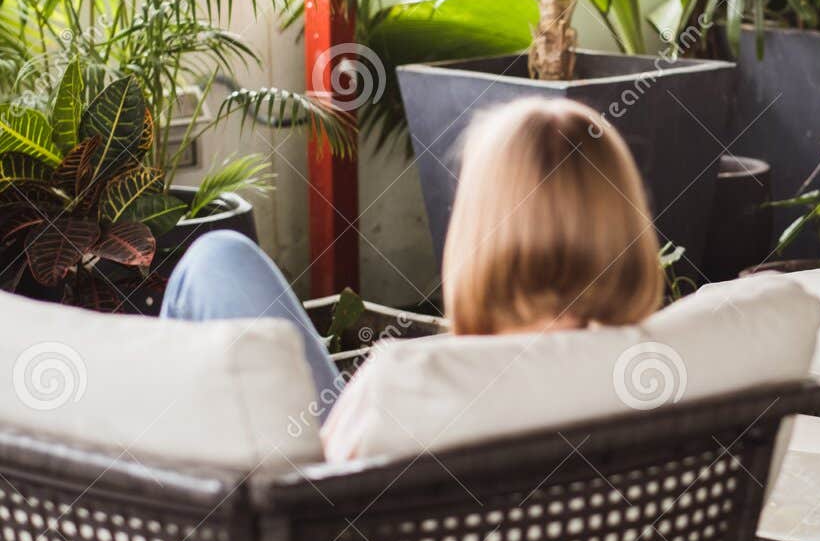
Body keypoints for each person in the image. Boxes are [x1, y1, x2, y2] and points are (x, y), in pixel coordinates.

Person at [160, 97, 664, 458]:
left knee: (217, 261)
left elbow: (307, 512)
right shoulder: (671, 380)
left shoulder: (402, 385)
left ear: (476, 233)